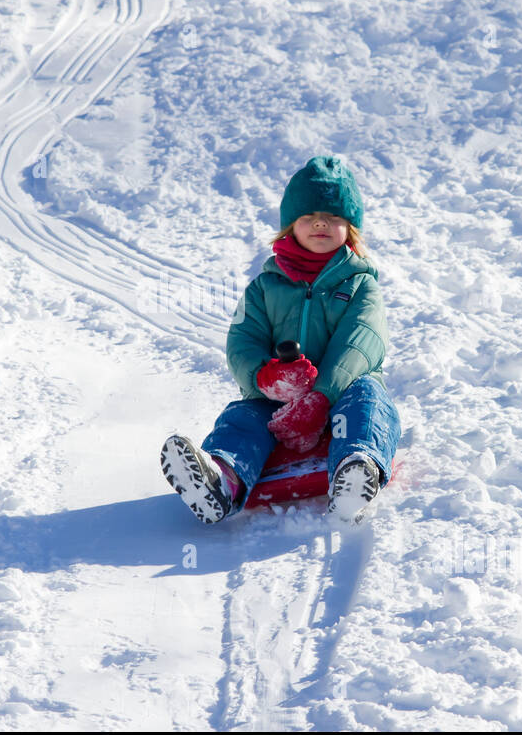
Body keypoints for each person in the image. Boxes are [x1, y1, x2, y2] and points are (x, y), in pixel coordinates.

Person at [160, 156, 401, 524]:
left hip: (341, 397)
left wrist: (321, 397)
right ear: (290, 226)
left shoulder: (361, 285)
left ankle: (356, 469)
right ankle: (220, 479)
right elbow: (242, 340)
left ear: (349, 228)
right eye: (308, 216)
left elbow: (359, 344)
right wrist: (264, 379)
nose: (321, 222)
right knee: (244, 416)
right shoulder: (263, 288)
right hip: (281, 405)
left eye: (333, 216)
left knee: (370, 400)